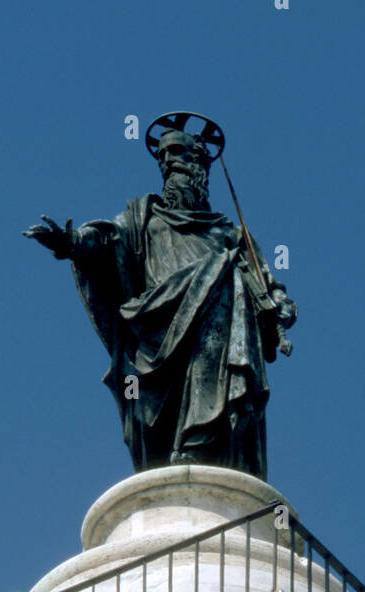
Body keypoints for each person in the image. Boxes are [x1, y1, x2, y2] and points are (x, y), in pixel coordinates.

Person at [23, 114, 297, 478]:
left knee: (224, 274)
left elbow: (268, 285)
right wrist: (72, 243)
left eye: (180, 161)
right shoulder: (144, 218)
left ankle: (199, 440)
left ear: (199, 167)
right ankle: (187, 446)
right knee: (222, 273)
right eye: (165, 163)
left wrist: (280, 303)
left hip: (215, 327)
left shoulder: (228, 236)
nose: (170, 168)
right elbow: (104, 238)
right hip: (156, 330)